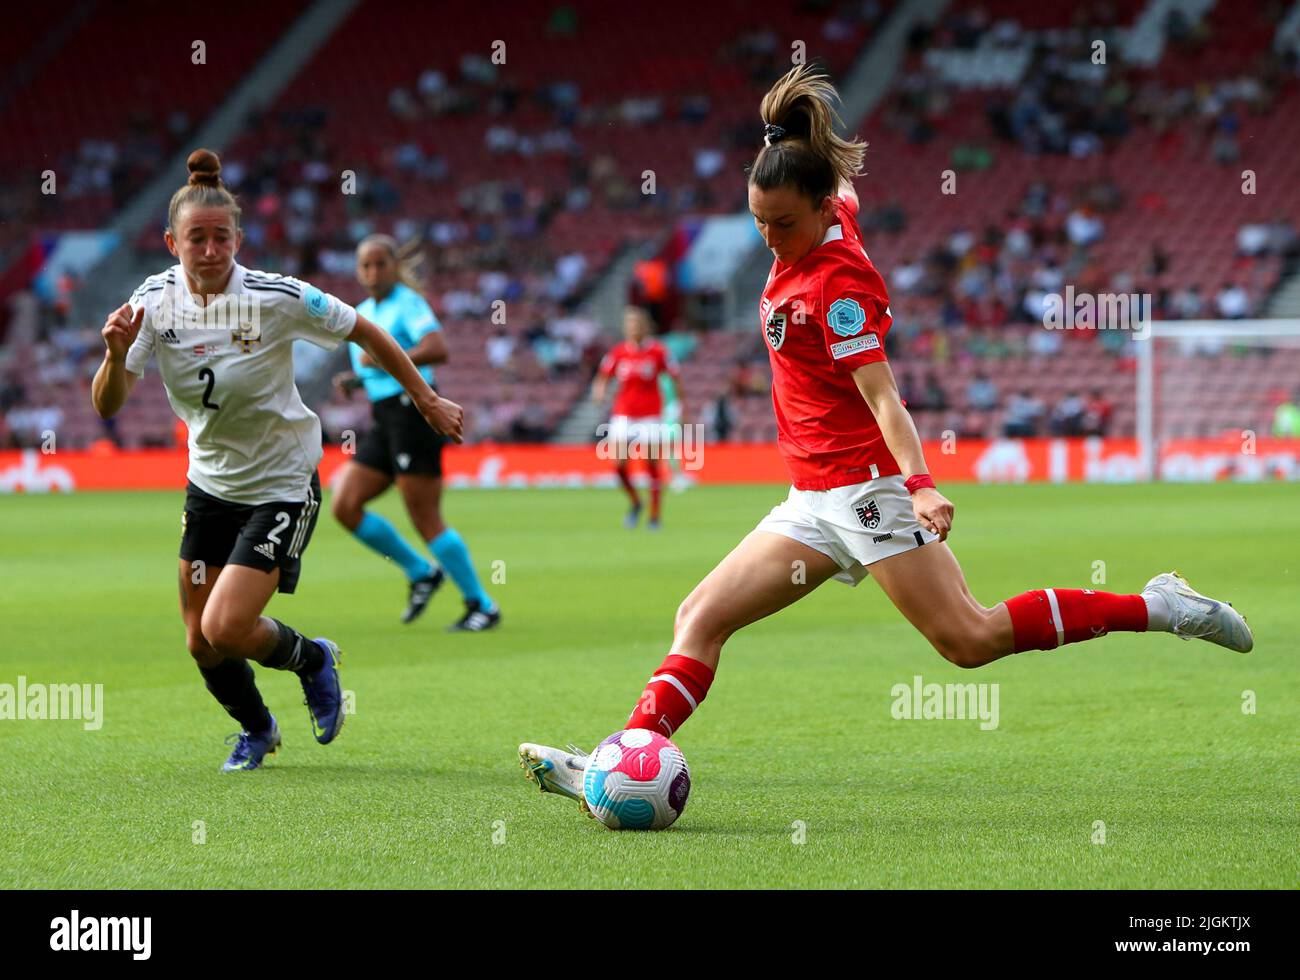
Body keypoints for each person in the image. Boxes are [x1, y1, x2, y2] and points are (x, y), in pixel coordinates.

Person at [517, 67, 1252, 807]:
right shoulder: (825, 209)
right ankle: (618, 759)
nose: (770, 238)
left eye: (783, 223)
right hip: (813, 495)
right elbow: (838, 187)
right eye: (758, 220)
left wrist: (920, 483)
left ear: (817, 211)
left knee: (970, 640)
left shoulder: (835, 291)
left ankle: (1162, 607)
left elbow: (884, 395)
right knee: (700, 617)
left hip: (868, 488)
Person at [92, 149, 463, 772]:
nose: (210, 251)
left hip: (282, 483)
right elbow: (107, 405)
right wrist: (113, 356)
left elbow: (364, 331)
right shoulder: (151, 302)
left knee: (228, 627)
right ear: (170, 242)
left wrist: (426, 399)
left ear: (238, 238)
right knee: (199, 641)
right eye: (196, 239)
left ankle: (313, 659)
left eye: (221, 238)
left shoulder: (275, 296)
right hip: (208, 485)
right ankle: (258, 730)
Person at [330, 235, 500, 631]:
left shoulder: (407, 303)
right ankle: (421, 571)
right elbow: (377, 367)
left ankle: (482, 604)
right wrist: (358, 381)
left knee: (425, 517)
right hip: (384, 418)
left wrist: (382, 361)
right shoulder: (362, 311)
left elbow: (438, 348)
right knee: (345, 505)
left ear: (394, 266)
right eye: (365, 266)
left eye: (380, 264)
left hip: (415, 414)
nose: (373, 272)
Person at [592, 306, 685, 529]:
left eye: (636, 323)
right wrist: (599, 392)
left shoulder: (658, 352)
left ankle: (654, 517)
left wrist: (679, 405)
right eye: (629, 324)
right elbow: (603, 377)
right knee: (618, 465)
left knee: (651, 465)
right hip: (624, 414)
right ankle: (635, 502)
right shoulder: (618, 353)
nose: (632, 328)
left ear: (645, 326)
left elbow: (675, 378)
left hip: (651, 415)